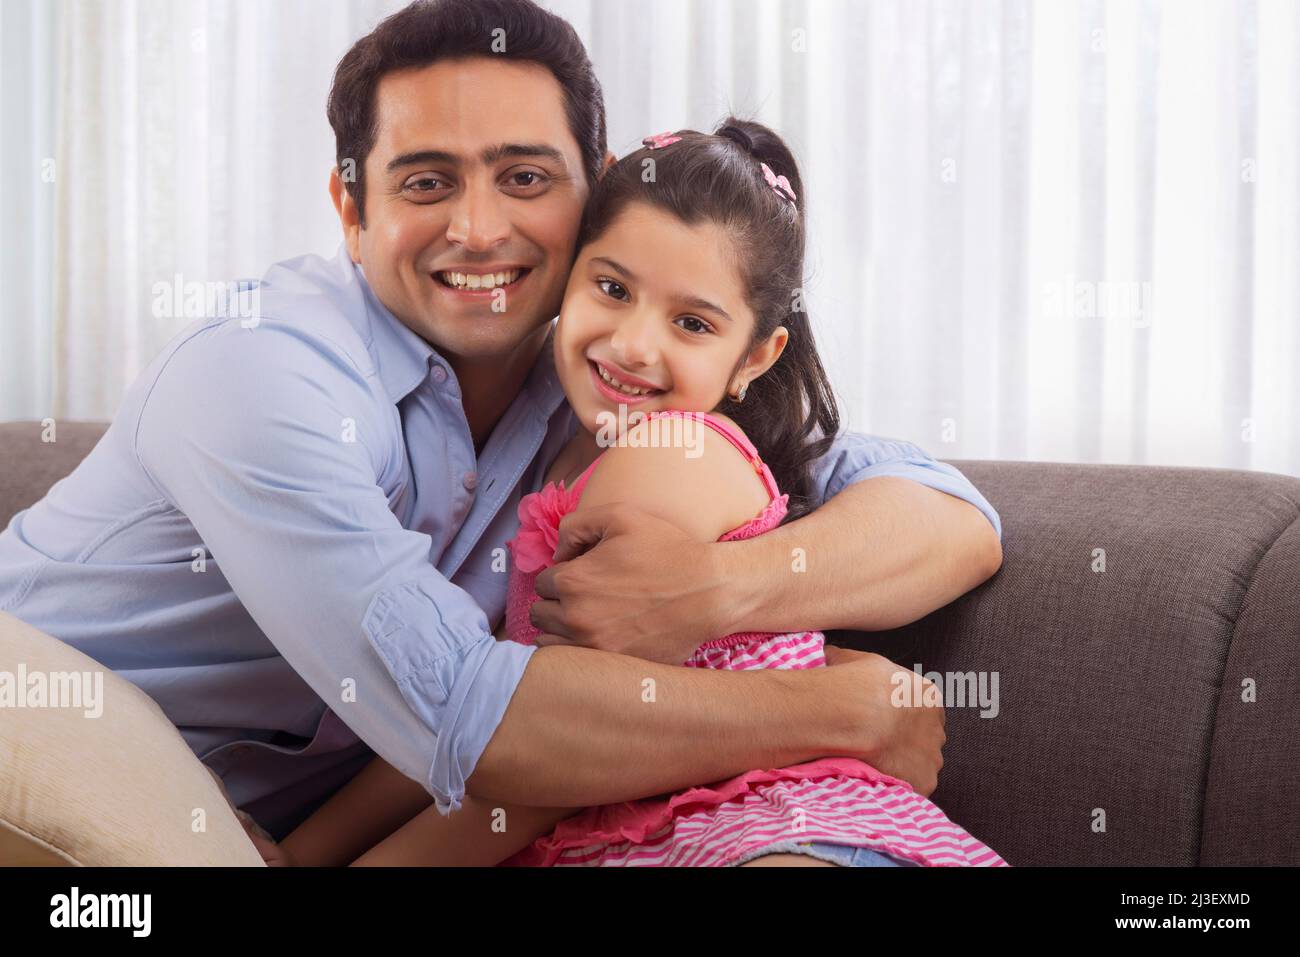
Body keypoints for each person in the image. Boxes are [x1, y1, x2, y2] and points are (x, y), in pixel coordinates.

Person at [0, 0, 1001, 847]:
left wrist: (718, 586)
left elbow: (951, 518)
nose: (479, 231)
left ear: (595, 188)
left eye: (524, 177)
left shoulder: (614, 395)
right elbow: (478, 718)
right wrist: (828, 712)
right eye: (425, 181)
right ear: (350, 208)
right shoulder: (262, 373)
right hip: (62, 745)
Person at [258, 119, 1008, 867]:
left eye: (692, 323)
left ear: (755, 357)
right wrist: (298, 852)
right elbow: (472, 715)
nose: (633, 345)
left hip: (765, 826)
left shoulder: (670, 457)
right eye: (613, 288)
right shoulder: (560, 450)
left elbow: (545, 760)